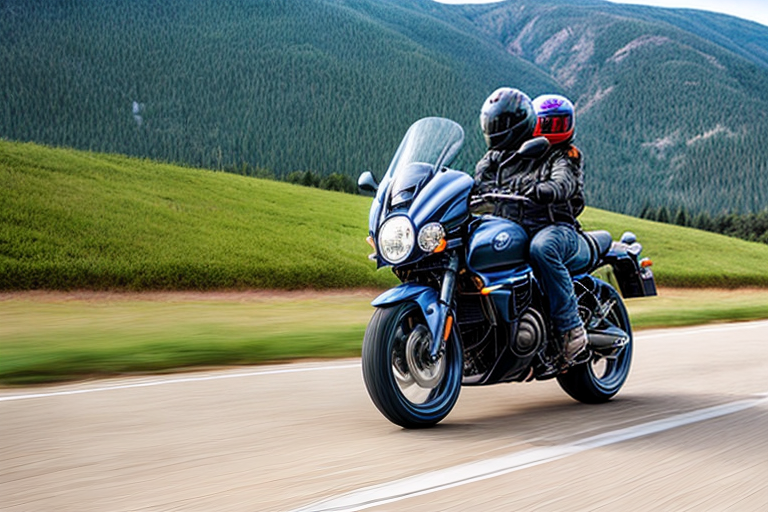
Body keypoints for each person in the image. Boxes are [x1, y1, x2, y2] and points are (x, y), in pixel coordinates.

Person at [473, 88, 588, 363]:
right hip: (515, 225)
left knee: (542, 248)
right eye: (545, 124)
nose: (550, 131)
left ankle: (572, 328)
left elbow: (563, 183)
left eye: (558, 124)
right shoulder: (510, 153)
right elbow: (482, 176)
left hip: (556, 228)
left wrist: (541, 189)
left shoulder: (566, 155)